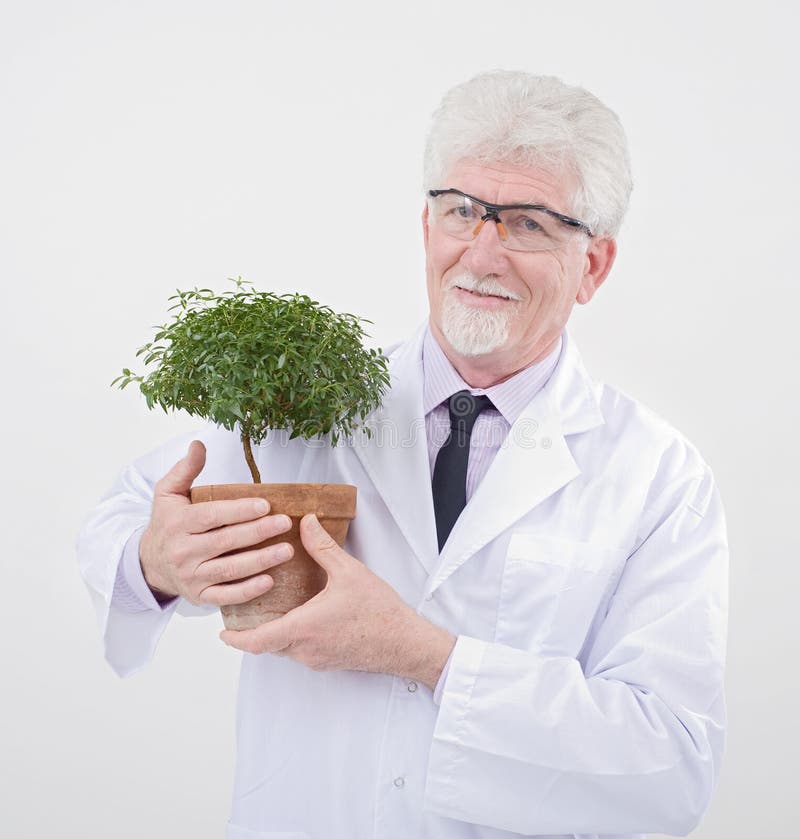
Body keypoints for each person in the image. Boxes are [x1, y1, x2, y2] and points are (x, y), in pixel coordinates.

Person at [77, 70, 728, 839]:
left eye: (527, 224)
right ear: (427, 228)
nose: (482, 254)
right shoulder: (302, 405)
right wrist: (155, 560)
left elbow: (670, 768)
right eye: (462, 212)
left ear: (593, 266)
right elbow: (121, 515)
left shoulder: (658, 478)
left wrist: (427, 656)